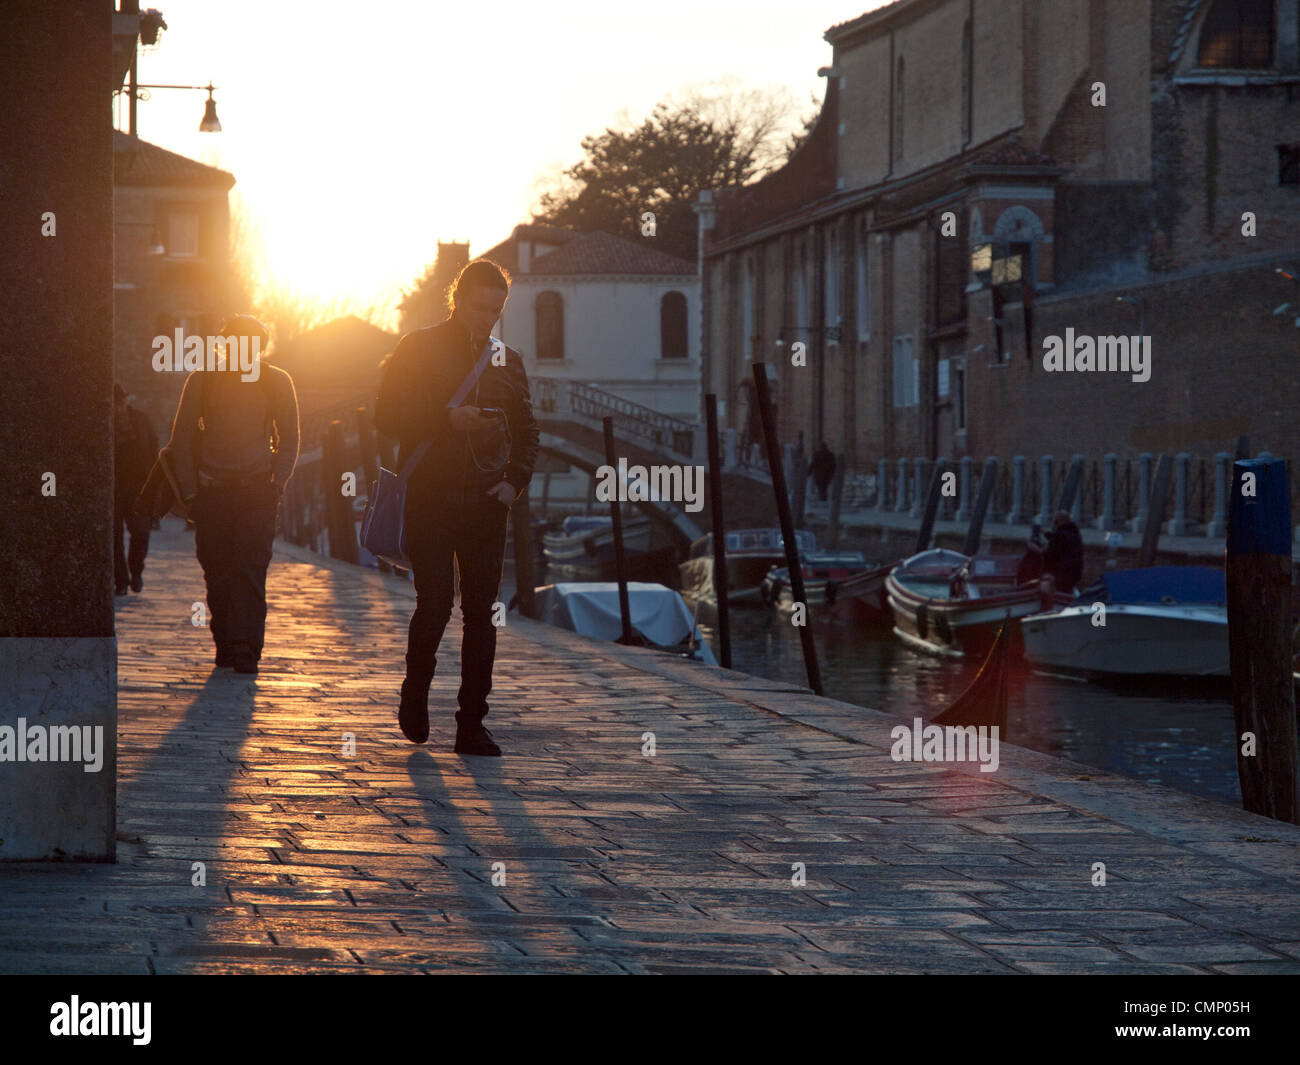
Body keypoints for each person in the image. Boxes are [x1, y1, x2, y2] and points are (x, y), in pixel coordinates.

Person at [374, 259, 539, 757]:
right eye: (478, 308)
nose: (486, 319)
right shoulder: (417, 346)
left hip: (489, 503)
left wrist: (514, 481)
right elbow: (386, 415)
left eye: (496, 310)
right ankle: (415, 694)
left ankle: (471, 725)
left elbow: (528, 431)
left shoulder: (507, 359)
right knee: (435, 603)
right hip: (430, 497)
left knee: (482, 615)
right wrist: (448, 418)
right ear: (457, 300)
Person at [164, 315, 300, 674]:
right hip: (212, 493)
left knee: (251, 570)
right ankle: (225, 642)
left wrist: (277, 484)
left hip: (257, 491)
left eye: (252, 346)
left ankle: (246, 650)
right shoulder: (203, 381)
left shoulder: (276, 381)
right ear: (225, 346)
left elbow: (289, 438)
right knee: (217, 571)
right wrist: (191, 495)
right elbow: (180, 442)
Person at [113, 384, 158, 595]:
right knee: (113, 537)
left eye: (119, 402)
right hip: (112, 487)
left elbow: (154, 450)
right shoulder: (102, 425)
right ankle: (120, 580)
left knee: (141, 532)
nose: (117, 407)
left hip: (138, 486)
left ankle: (136, 571)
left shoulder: (140, 420)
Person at [1025, 509, 1084, 593]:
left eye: (1055, 522)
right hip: (1074, 574)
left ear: (1060, 521)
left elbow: (1049, 554)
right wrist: (1045, 533)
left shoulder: (1061, 536)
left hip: (1061, 575)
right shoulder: (1074, 533)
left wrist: (1035, 549)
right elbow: (1059, 540)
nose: (1055, 525)